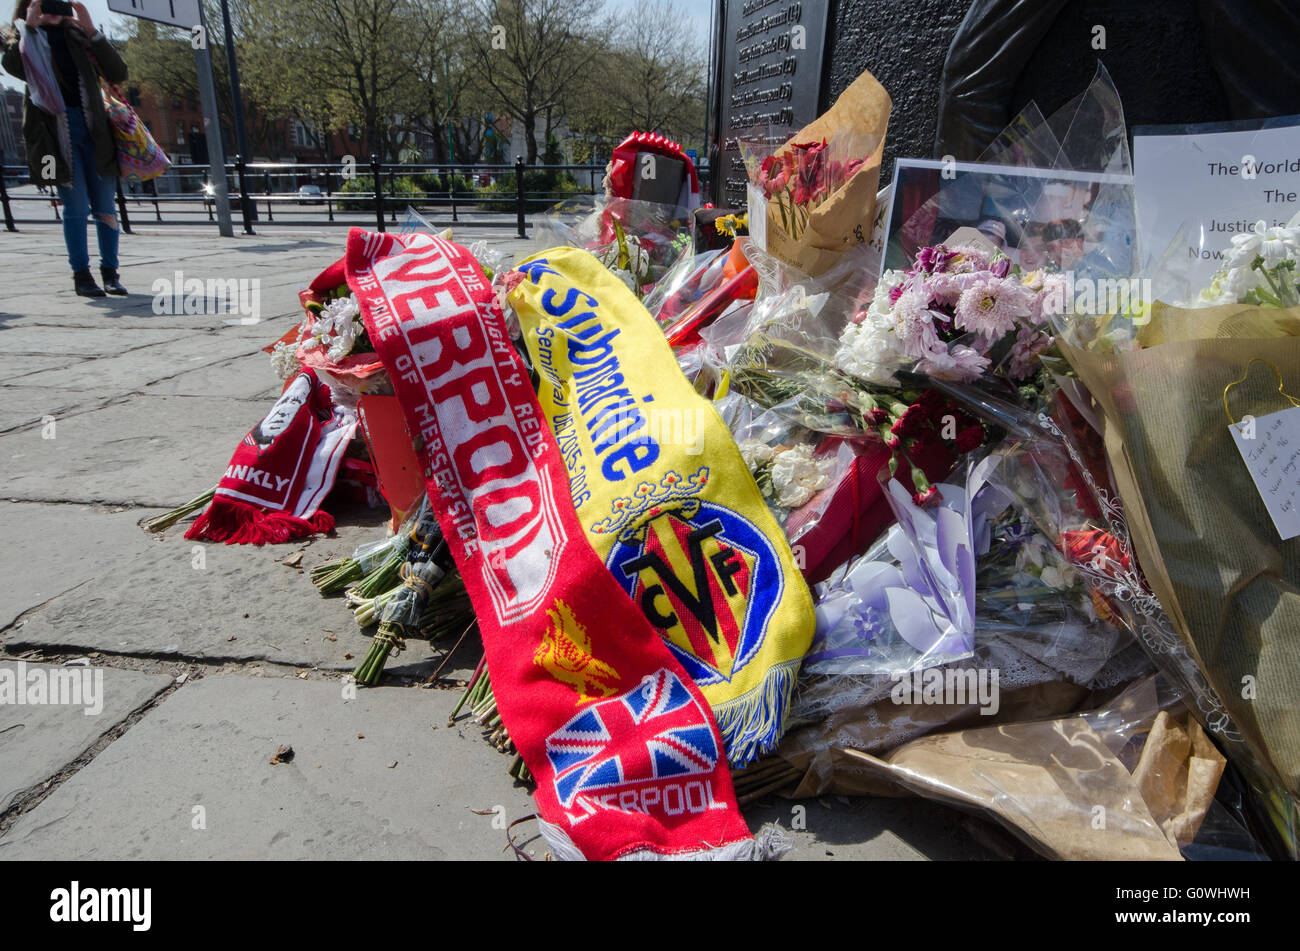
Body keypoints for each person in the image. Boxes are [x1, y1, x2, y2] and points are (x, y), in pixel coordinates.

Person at [2, 1, 128, 297]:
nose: (54, 6)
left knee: (106, 206)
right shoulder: (23, 38)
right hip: (53, 134)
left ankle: (110, 273)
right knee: (75, 207)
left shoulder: (79, 37)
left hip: (95, 129)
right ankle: (81, 276)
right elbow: (14, 67)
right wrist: (29, 29)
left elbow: (117, 72)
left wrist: (91, 31)